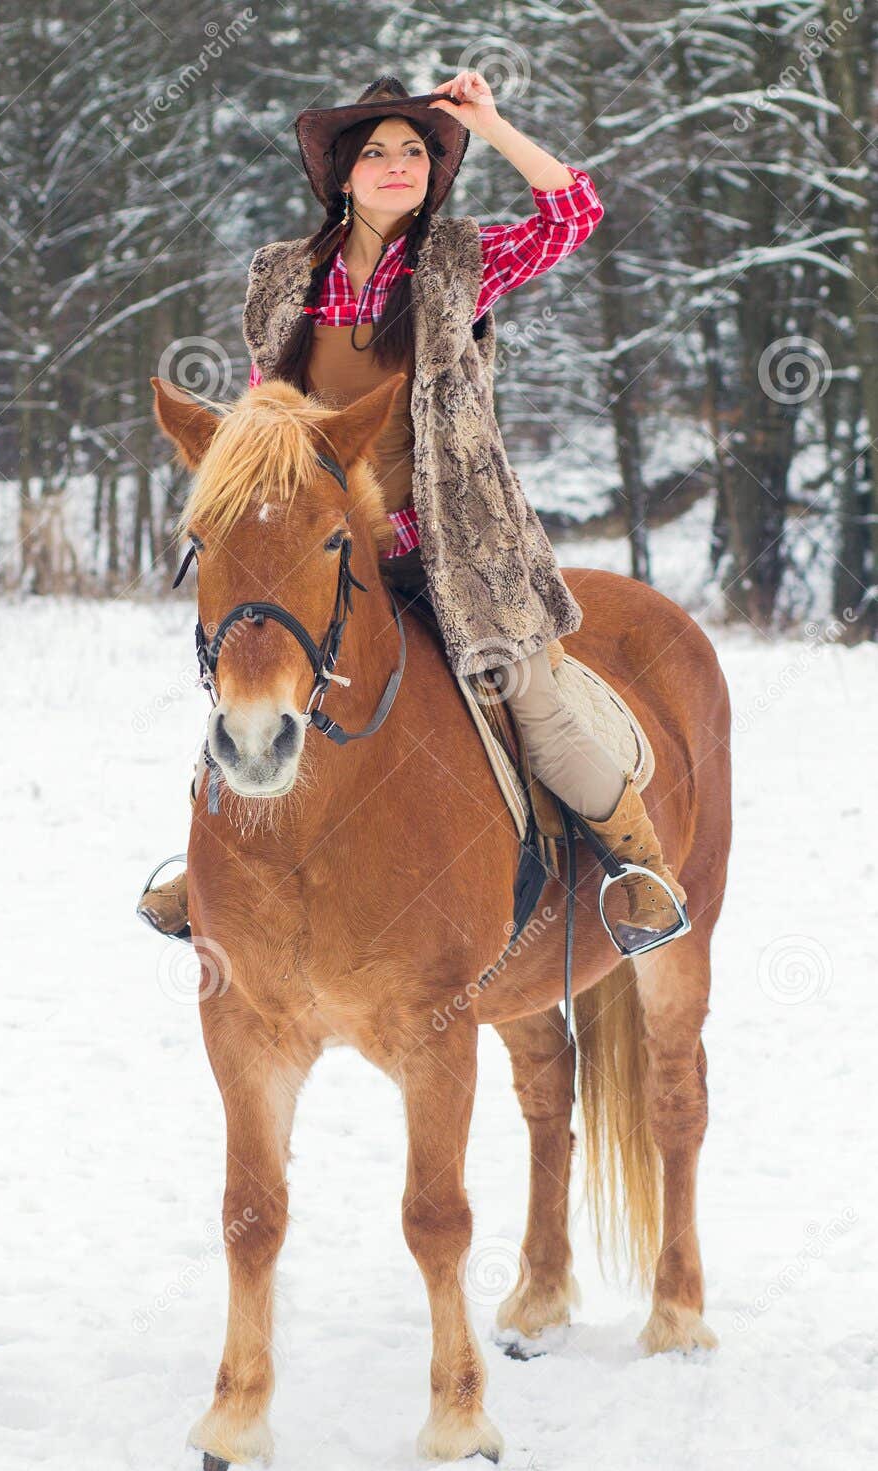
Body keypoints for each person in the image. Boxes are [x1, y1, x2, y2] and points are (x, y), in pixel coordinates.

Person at [140, 72, 687, 954]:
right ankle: (208, 869)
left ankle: (637, 870)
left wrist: (490, 123)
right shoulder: (283, 277)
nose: (396, 167)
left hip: (453, 546)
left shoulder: (457, 263)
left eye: (414, 154)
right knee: (249, 673)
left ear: (434, 176)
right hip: (328, 545)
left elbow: (571, 214)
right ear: (341, 177)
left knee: (534, 698)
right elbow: (266, 413)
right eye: (375, 154)